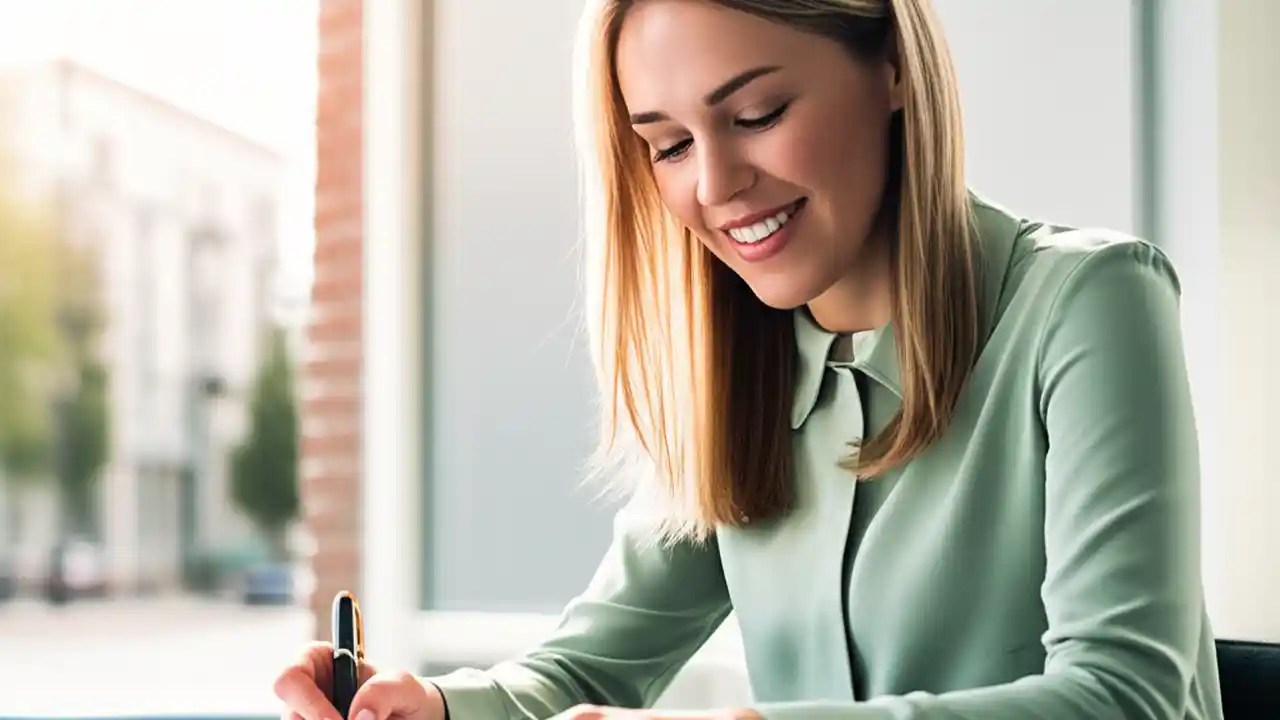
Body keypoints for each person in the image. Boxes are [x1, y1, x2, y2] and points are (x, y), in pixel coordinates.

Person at [275, 0, 1224, 718]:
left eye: (759, 113)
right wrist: (430, 707)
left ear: (892, 66)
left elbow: (1122, 692)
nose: (717, 185)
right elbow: (589, 665)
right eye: (671, 144)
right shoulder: (741, 375)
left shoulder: (1092, 302)